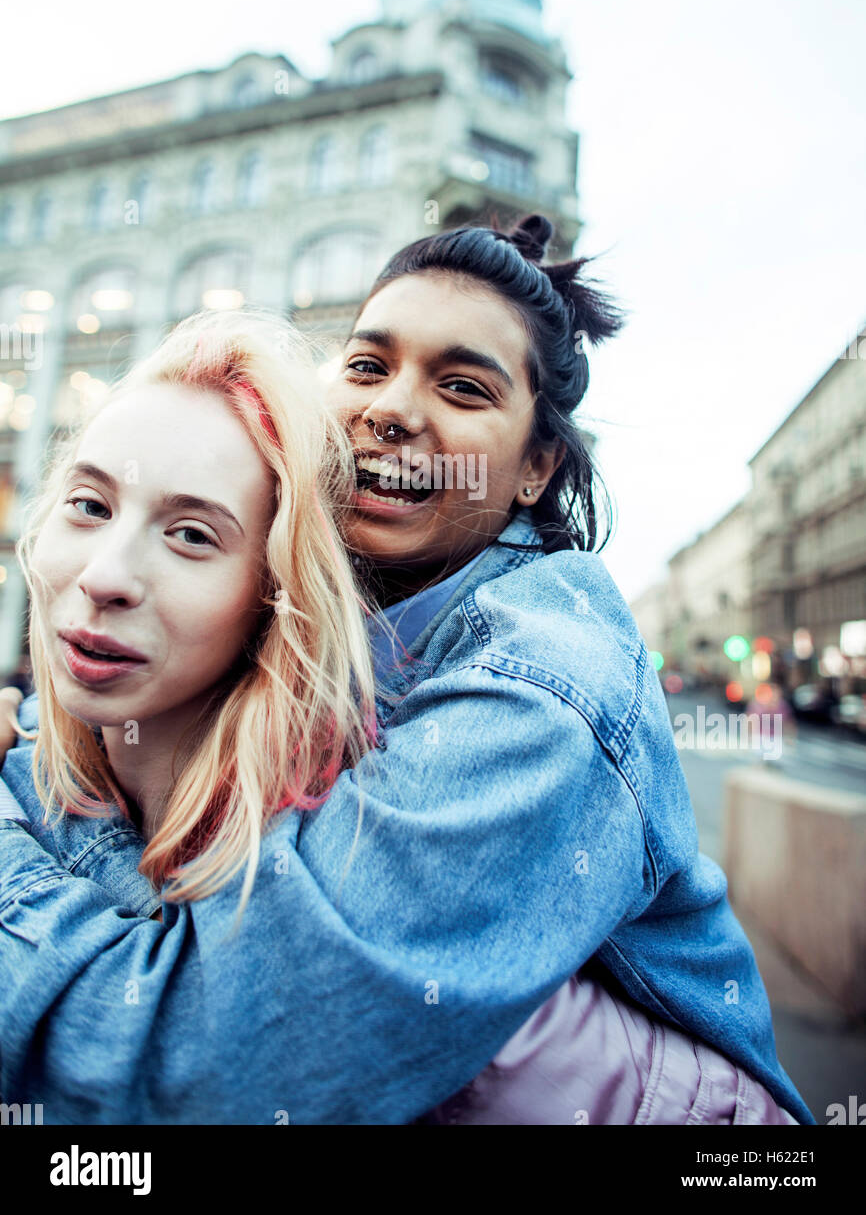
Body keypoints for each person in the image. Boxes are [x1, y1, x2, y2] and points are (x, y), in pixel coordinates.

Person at [0, 219, 814, 1124]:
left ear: (535, 467)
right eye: (365, 365)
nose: (392, 408)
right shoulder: (316, 612)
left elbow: (209, 1056)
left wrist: (28, 814)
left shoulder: (545, 688)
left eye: (462, 386)